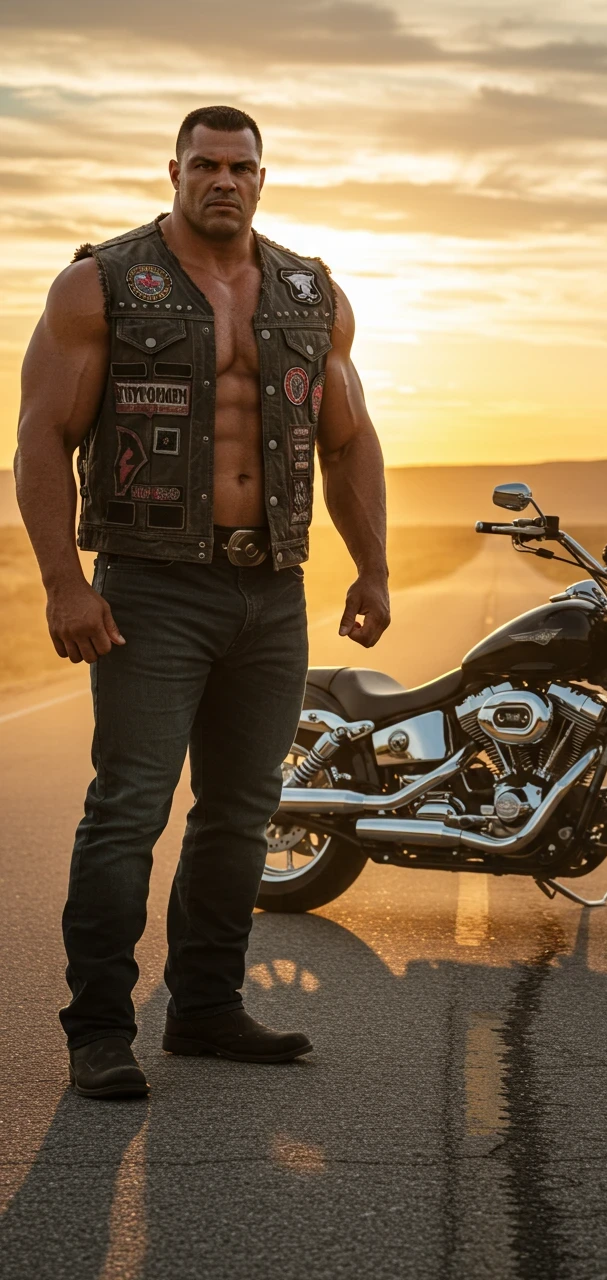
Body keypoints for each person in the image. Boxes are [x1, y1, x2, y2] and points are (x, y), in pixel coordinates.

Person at [14, 105, 390, 1099]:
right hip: (152, 584)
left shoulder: (310, 293)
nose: (223, 179)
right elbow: (42, 433)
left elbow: (348, 437)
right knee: (129, 805)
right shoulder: (101, 283)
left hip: (271, 587)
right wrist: (64, 580)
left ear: (263, 178)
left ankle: (206, 1006)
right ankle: (98, 1027)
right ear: (173, 170)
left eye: (241, 166)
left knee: (241, 811)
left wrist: (373, 565)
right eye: (205, 164)